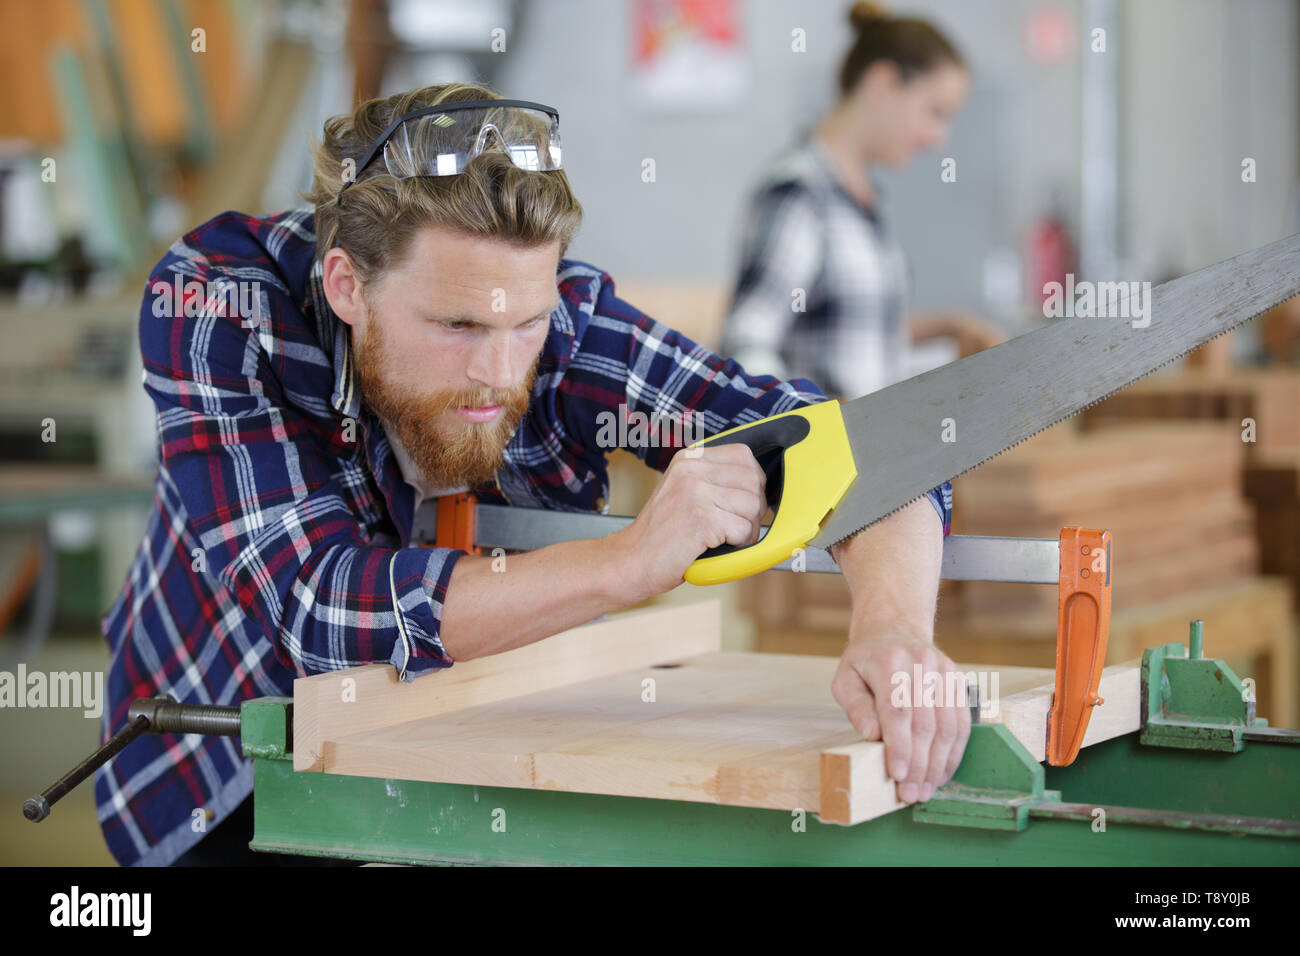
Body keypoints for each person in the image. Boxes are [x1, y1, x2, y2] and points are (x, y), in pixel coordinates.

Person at [97, 83, 966, 866]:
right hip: (219, 775)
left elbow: (842, 447)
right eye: (459, 327)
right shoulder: (220, 301)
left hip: (454, 738)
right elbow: (320, 607)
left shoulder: (573, 327)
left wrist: (894, 630)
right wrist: (630, 562)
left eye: (527, 325)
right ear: (347, 286)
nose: (501, 371)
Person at [722, 1, 1004, 401]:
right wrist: (809, 428)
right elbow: (745, 341)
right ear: (883, 82)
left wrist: (946, 330)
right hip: (826, 458)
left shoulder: (857, 203)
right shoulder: (801, 196)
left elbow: (850, 338)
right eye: (934, 112)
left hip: (874, 456)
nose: (938, 138)